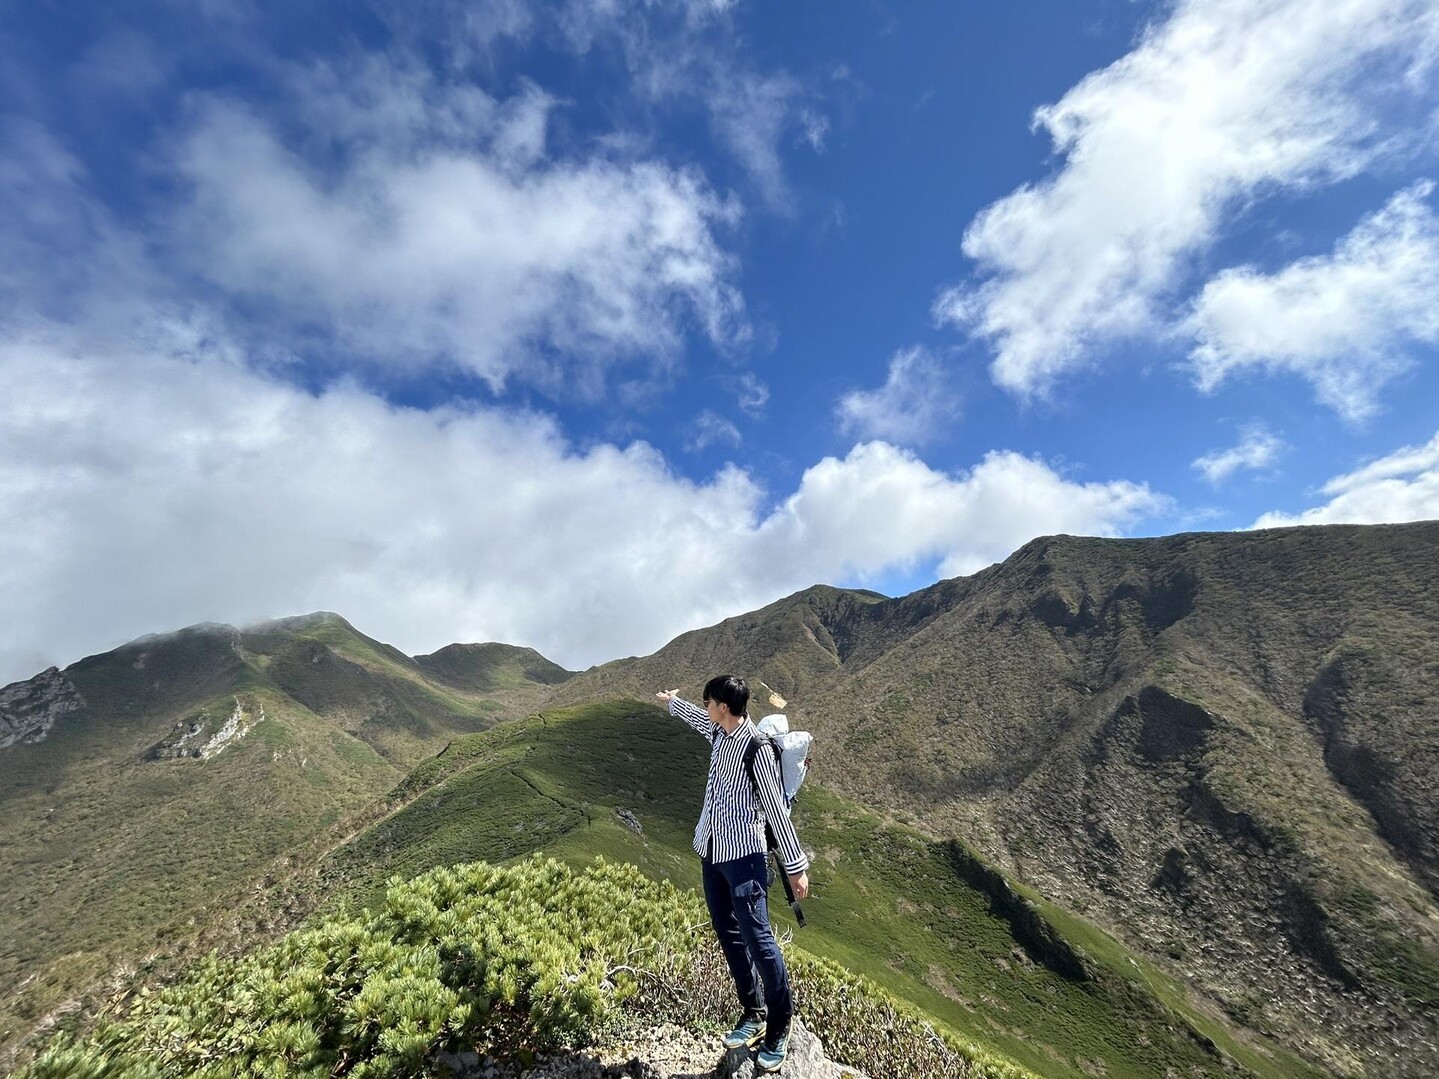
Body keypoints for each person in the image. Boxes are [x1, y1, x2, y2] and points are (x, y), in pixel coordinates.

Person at [656, 676, 809, 1075]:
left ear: (724, 705)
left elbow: (775, 807)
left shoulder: (756, 747)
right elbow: (694, 717)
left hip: (745, 856)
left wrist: (796, 868)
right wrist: (674, 702)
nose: (705, 707)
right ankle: (753, 1011)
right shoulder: (719, 733)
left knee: (760, 942)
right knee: (727, 932)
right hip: (712, 850)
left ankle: (779, 1027)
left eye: (710, 702)